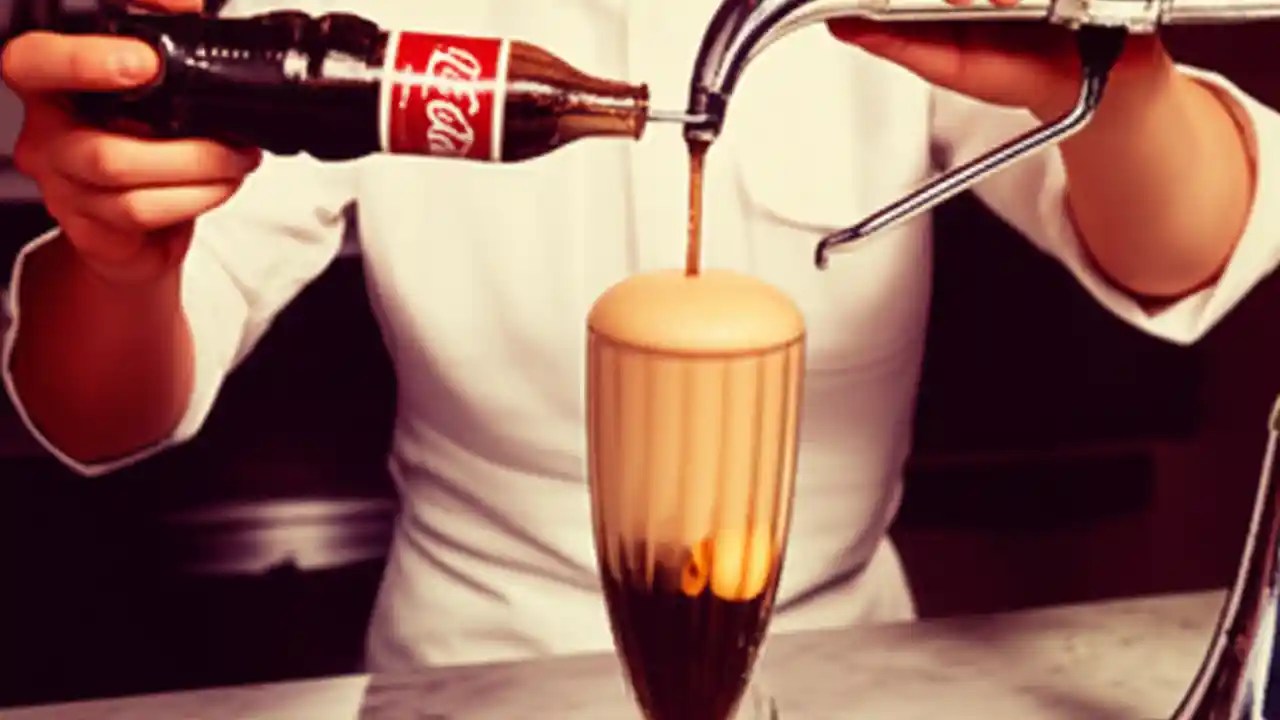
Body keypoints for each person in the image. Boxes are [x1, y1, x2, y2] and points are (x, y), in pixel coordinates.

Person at [1, 0, 1276, 672]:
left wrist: (1114, 69)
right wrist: (116, 256)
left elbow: (1186, 250)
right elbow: (95, 415)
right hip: (475, 654)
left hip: (840, 655)